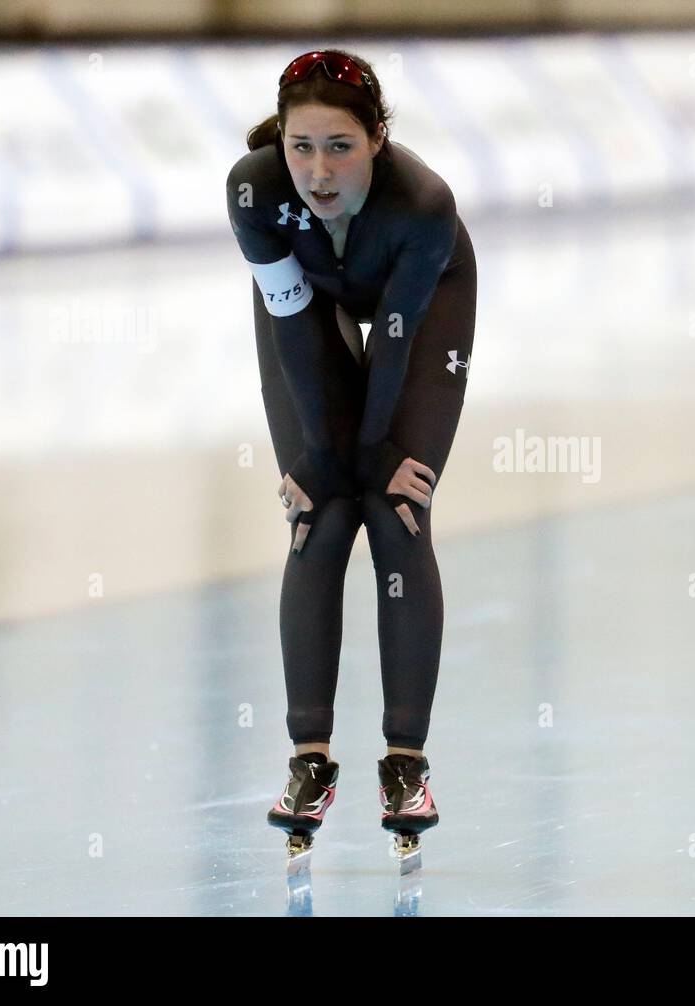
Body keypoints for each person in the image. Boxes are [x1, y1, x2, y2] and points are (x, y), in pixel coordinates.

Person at [224, 49, 477, 852]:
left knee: (398, 506)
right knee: (317, 514)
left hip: (423, 302)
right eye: (302, 147)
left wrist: (369, 457)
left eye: (340, 146)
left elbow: (394, 347)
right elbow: (296, 332)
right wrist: (322, 461)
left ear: (377, 140)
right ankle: (310, 760)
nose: (318, 170)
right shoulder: (253, 192)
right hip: (312, 308)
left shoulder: (422, 205)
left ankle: (405, 763)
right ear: (279, 147)